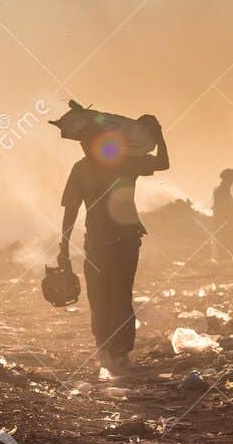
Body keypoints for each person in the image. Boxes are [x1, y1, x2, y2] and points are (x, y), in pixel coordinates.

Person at [58, 117, 169, 374]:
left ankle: (119, 352)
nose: (86, 147)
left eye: (90, 142)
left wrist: (159, 133)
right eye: (83, 143)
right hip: (97, 244)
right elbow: (71, 209)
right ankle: (105, 349)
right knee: (100, 299)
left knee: (119, 297)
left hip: (124, 242)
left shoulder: (123, 162)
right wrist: (63, 246)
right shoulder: (85, 168)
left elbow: (163, 163)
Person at [210, 168, 233, 263]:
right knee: (226, 243)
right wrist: (229, 221)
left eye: (232, 177)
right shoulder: (221, 191)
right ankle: (224, 264)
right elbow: (222, 208)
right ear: (225, 178)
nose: (232, 180)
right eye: (230, 177)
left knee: (228, 244)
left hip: (225, 222)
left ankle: (225, 263)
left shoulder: (224, 190)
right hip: (224, 223)